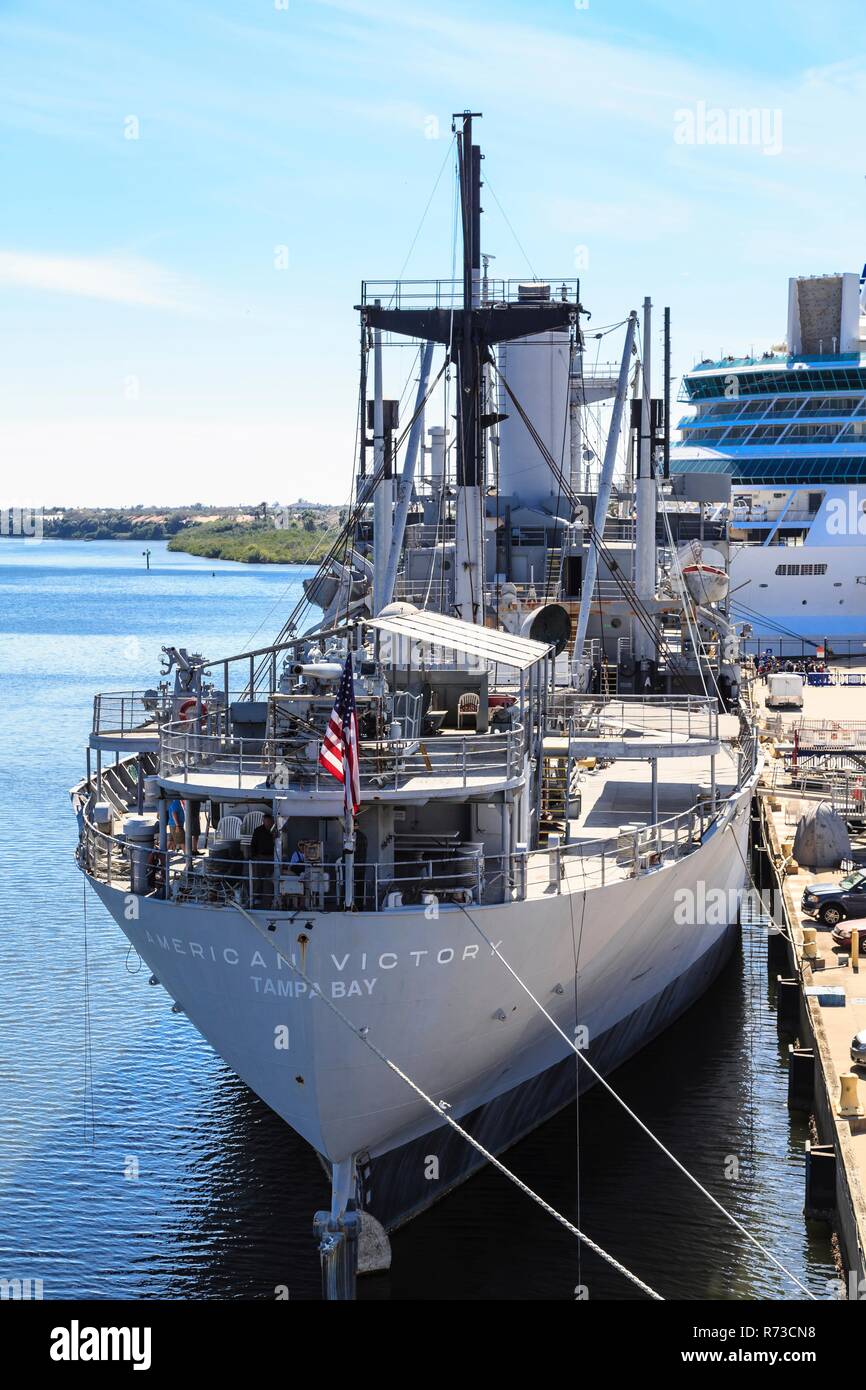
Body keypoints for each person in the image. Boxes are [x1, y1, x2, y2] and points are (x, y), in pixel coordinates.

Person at [250, 812, 276, 908]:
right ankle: (257, 897)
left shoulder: (275, 831)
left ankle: (273, 897)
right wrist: (254, 857)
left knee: (272, 878)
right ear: (263, 821)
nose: (268, 823)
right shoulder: (258, 831)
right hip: (260, 857)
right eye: (266, 821)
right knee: (258, 878)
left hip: (272, 857)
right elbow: (253, 844)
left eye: (269, 821)